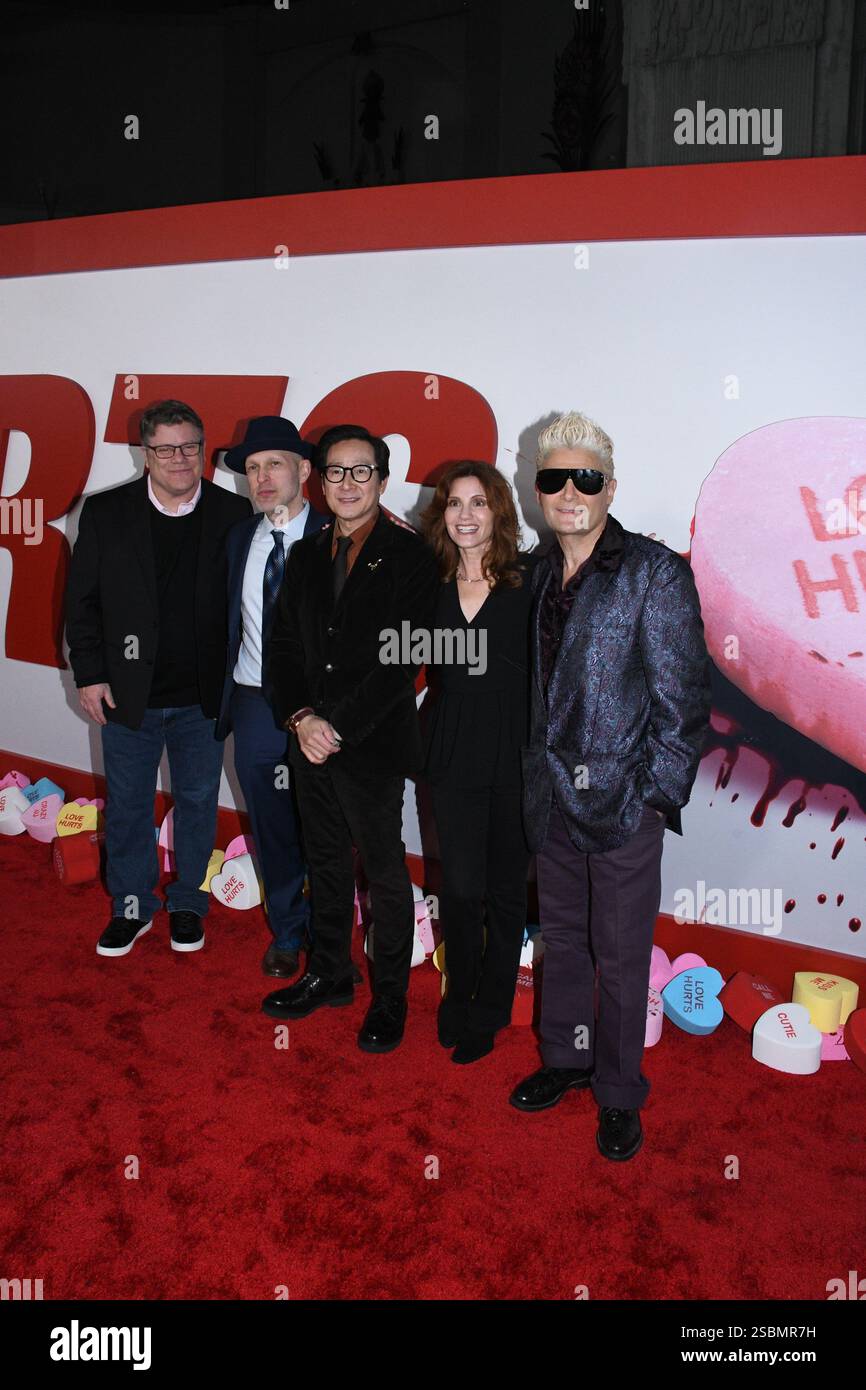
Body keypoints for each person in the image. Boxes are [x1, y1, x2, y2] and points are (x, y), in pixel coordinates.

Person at [511, 411, 711, 1160]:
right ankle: (566, 1059)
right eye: (553, 478)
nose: (569, 491)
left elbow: (684, 702)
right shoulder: (533, 571)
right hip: (549, 797)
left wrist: (654, 796)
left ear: (609, 488)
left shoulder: (654, 573)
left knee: (622, 954)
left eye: (584, 479)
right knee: (561, 940)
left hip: (624, 803)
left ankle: (620, 1090)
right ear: (538, 489)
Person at [261, 424, 440, 1052]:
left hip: (370, 744)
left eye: (361, 471)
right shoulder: (307, 555)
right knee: (326, 863)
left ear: (383, 482)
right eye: (334, 471)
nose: (346, 483)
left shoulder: (414, 558)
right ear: (318, 480)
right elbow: (281, 648)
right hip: (307, 740)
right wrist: (302, 719)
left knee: (385, 872)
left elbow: (403, 661)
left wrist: (336, 727)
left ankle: (390, 997)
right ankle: (330, 973)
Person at [65, 398, 251, 956]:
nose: (179, 458)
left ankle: (189, 904)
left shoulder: (232, 515)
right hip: (127, 696)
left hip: (202, 700)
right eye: (166, 448)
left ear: (202, 449)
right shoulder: (105, 512)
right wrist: (90, 675)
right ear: (145, 453)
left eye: (189, 446)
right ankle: (132, 906)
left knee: (196, 801)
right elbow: (83, 603)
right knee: (126, 804)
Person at [420, 461, 535, 1063]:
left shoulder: (529, 581)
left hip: (515, 751)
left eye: (478, 503)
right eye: (454, 504)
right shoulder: (429, 581)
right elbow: (396, 654)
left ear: (497, 512)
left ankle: (491, 1009)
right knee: (460, 888)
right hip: (452, 747)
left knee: (506, 891)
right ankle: (456, 996)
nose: (465, 515)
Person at [216, 417, 329, 978]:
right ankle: (288, 930)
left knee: (328, 820)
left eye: (274, 464)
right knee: (273, 821)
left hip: (322, 705)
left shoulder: (340, 535)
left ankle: (330, 936)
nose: (261, 478)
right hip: (255, 700)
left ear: (304, 470)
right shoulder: (240, 538)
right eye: (252, 468)